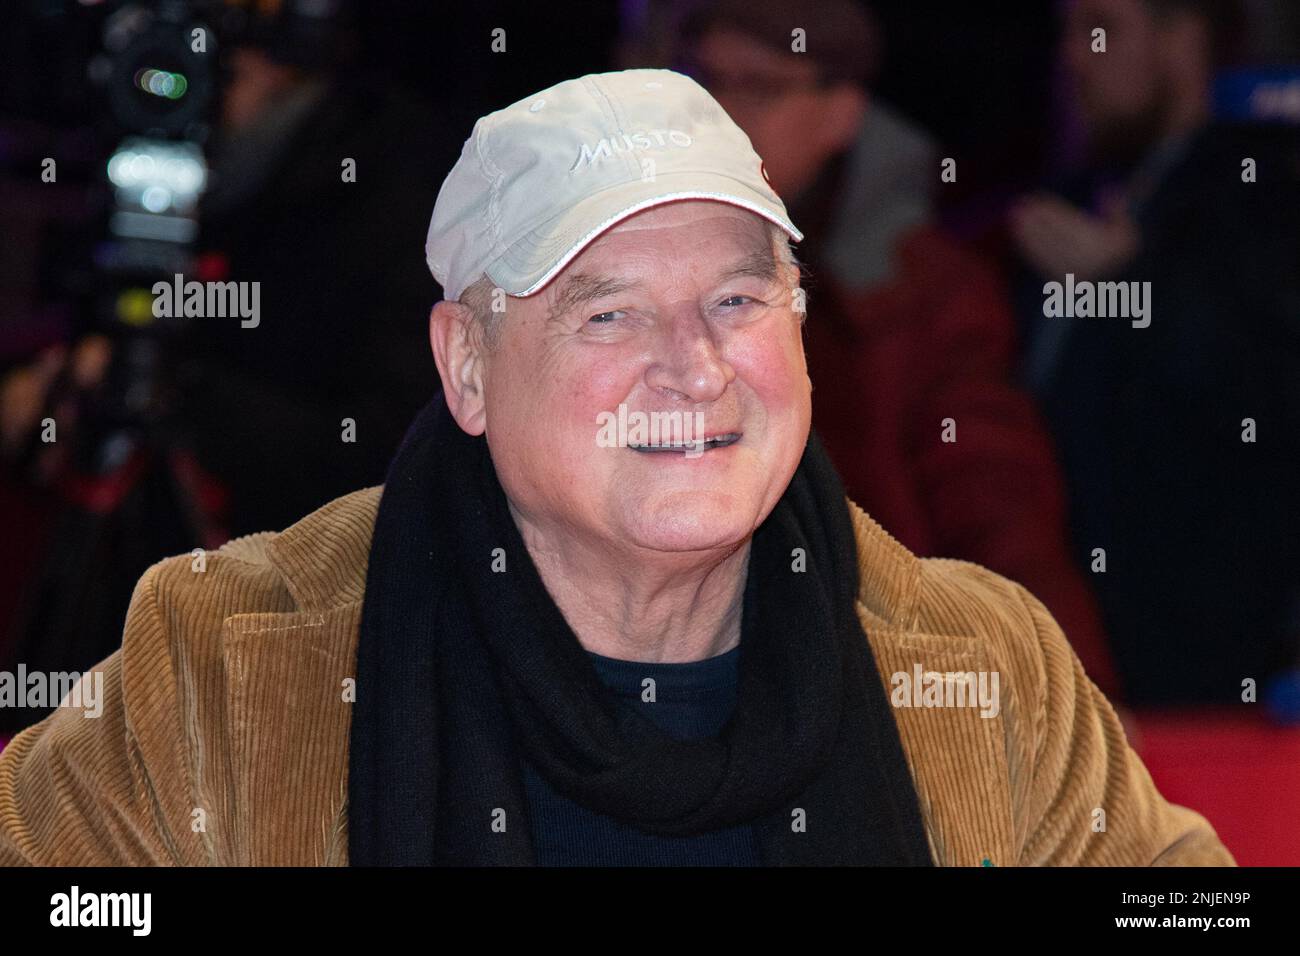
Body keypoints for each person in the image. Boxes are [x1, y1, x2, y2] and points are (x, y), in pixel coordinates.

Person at [0, 69, 1233, 865]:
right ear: (467, 364)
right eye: (607, 314)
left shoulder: (989, 667)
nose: (693, 367)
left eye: (738, 297)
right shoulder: (223, 667)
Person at [674, 0, 1122, 697]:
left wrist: (1074, 695)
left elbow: (995, 497)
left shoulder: (922, 290)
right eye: (707, 82)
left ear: (843, 112)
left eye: (758, 87)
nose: (722, 116)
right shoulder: (656, 268)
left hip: (880, 701)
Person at [1009, 0, 1300, 704]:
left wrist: (1128, 286)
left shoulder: (1264, 193)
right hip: (1061, 651)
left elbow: (1259, 400)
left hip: (1212, 685)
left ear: (1183, 36)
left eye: (1099, 29)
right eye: (1066, 31)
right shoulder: (1071, 199)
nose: (1073, 59)